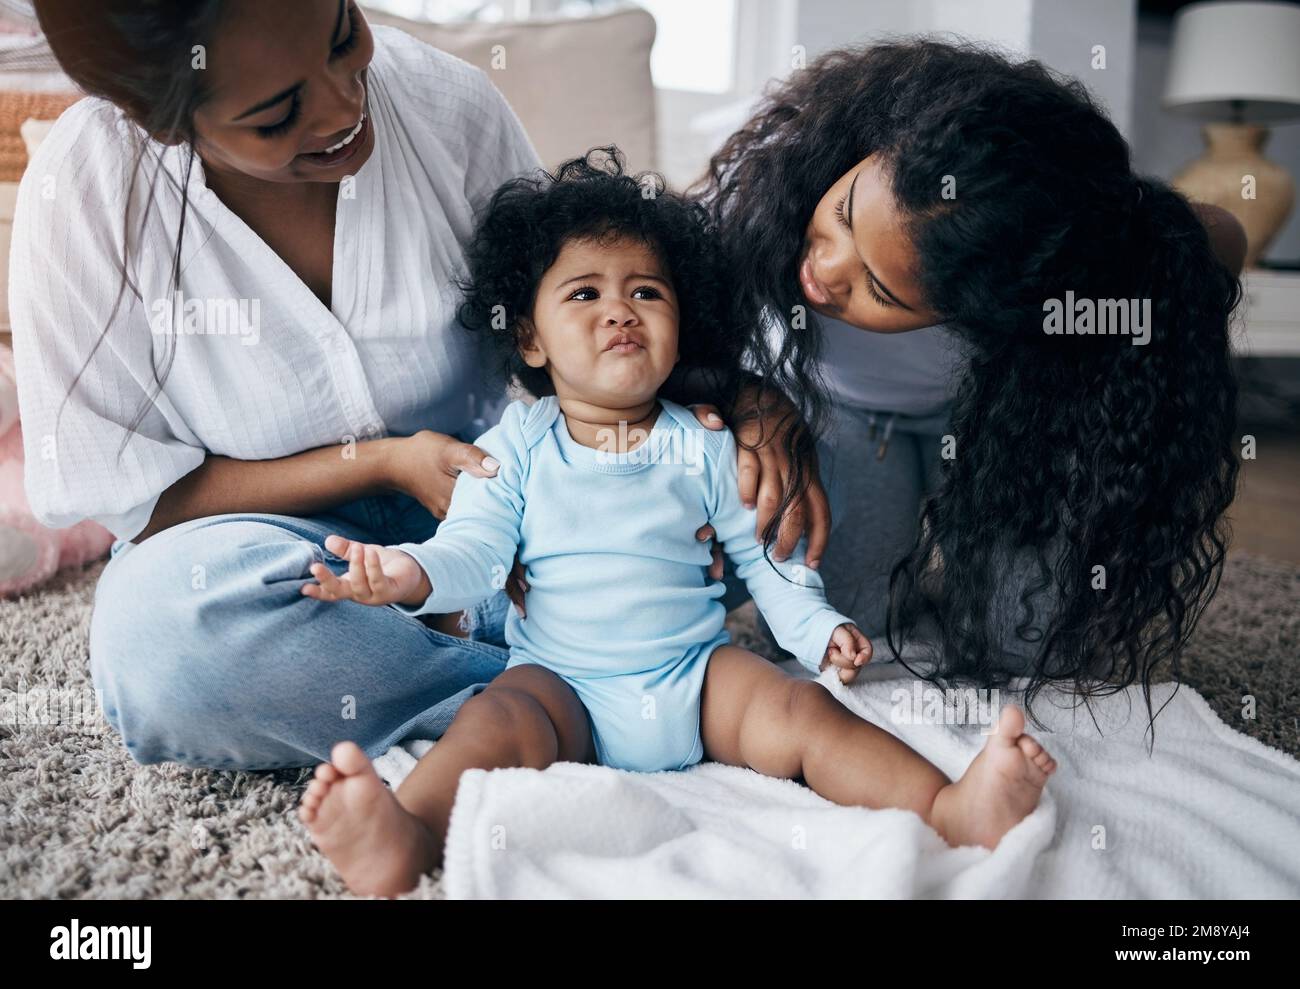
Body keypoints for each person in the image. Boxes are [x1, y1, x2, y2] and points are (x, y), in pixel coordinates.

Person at [294, 151, 1057, 896]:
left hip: (694, 677)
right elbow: (476, 552)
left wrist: (815, 624)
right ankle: (410, 833)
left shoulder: (705, 440)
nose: (621, 309)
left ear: (680, 324)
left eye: (647, 293)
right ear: (530, 338)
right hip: (565, 686)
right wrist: (411, 573)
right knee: (496, 719)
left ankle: (948, 807)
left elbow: (766, 560)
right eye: (585, 294)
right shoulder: (516, 448)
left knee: (802, 709)